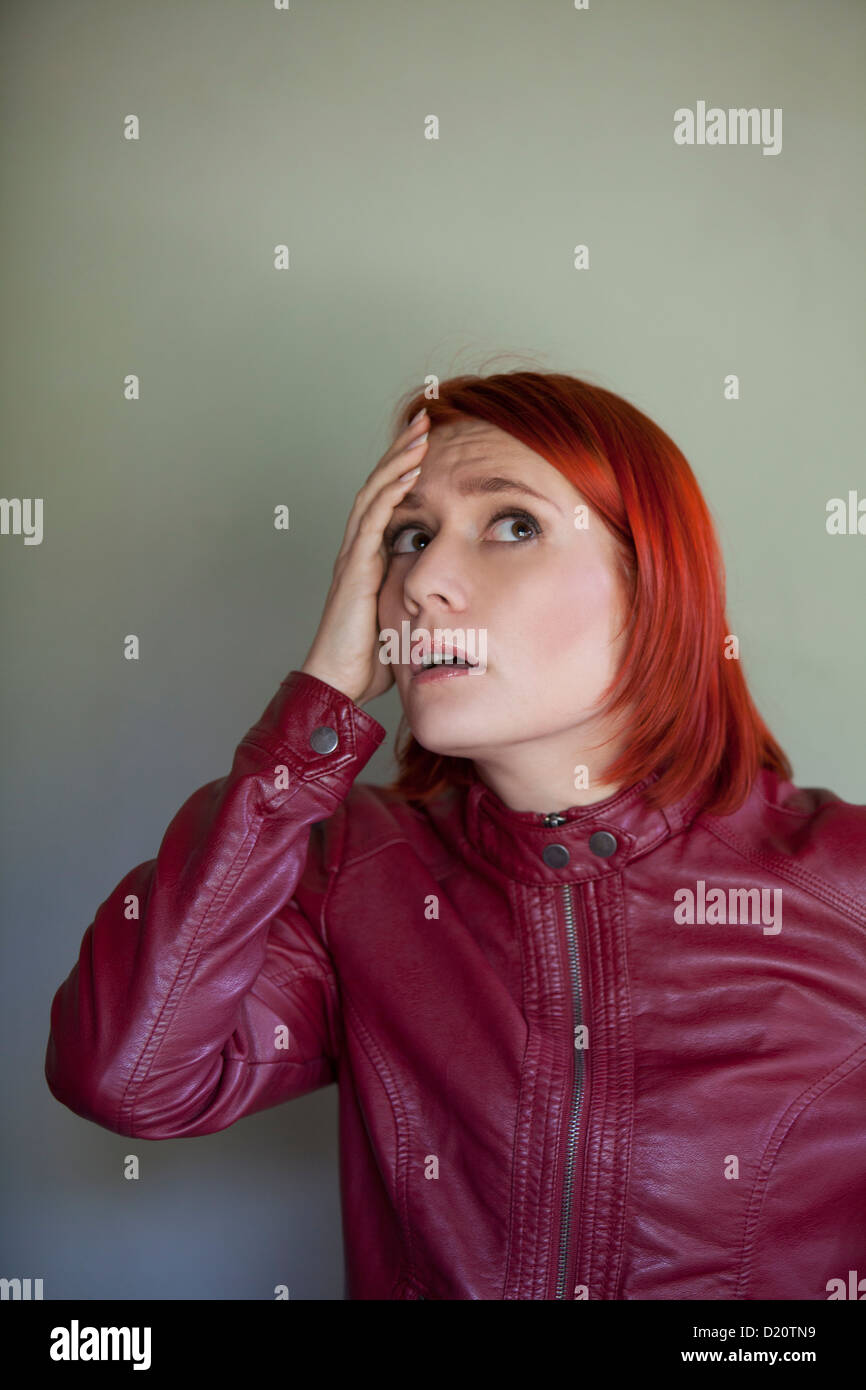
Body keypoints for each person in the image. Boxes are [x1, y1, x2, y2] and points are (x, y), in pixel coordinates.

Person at [45, 370, 866, 1301]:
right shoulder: (357, 869)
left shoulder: (849, 877)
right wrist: (320, 706)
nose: (425, 581)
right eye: (408, 537)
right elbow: (128, 1076)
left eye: (512, 524)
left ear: (656, 586)